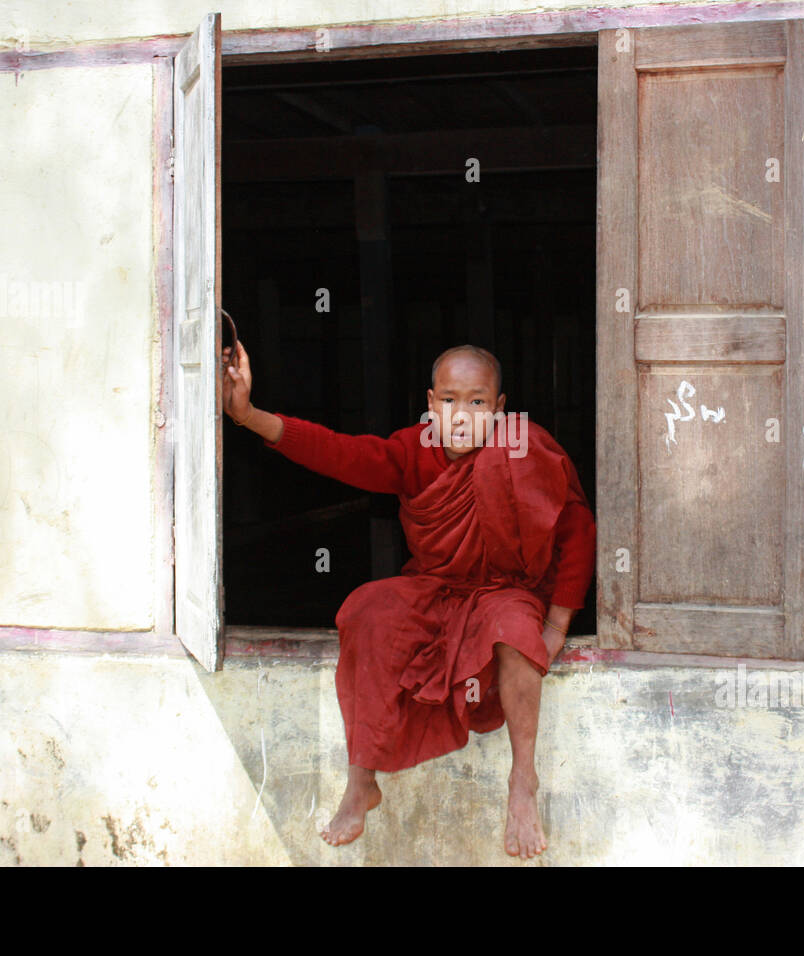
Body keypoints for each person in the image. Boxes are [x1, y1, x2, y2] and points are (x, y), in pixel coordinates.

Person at [222, 339, 596, 859]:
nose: (460, 417)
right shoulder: (413, 451)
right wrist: (248, 415)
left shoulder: (523, 449)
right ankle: (361, 779)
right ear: (429, 403)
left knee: (515, 632)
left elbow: (576, 530)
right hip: (436, 589)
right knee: (367, 610)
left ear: (502, 407)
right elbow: (340, 452)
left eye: (477, 402)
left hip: (506, 593)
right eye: (447, 400)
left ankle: (523, 780)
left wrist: (556, 626)